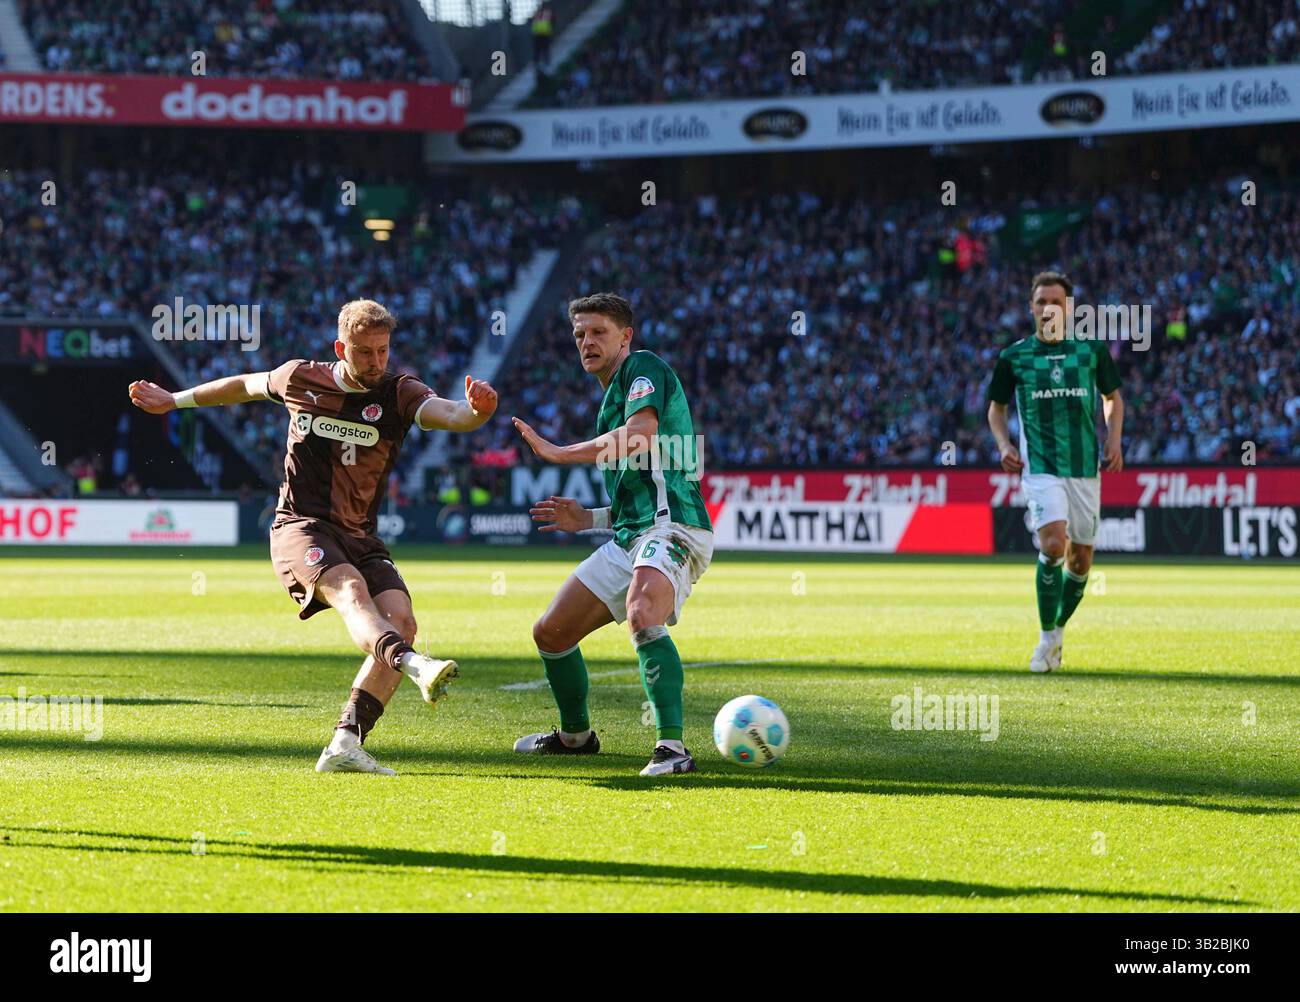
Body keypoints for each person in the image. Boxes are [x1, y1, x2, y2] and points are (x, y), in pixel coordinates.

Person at [128, 299, 499, 773]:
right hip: (300, 526)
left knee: (401, 621)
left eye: (383, 351)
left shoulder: (399, 392)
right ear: (340, 347)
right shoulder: (300, 378)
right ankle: (415, 666)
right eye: (365, 352)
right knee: (351, 592)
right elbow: (243, 385)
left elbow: (449, 414)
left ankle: (345, 742)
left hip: (361, 535)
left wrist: (476, 413)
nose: (376, 362)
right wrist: (174, 401)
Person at [511, 293, 713, 776]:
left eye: (598, 332)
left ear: (626, 336)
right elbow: (637, 496)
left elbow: (641, 436)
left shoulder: (642, 369)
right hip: (634, 535)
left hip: (676, 528)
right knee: (551, 632)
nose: (586, 342)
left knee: (642, 613)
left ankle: (673, 748)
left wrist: (559, 453)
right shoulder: (609, 404)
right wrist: (589, 520)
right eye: (579, 334)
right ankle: (575, 737)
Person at [987, 272, 1124, 672]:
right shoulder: (1013, 357)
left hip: (1085, 466)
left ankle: (1058, 630)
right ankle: (1046, 638)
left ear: (1070, 307)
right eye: (1041, 301)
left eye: (1056, 302)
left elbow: (1112, 397)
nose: (1048, 308)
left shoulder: (1091, 351)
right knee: (1052, 545)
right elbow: (996, 408)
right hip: (1041, 467)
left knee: (1080, 561)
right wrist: (1004, 444)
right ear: (1031, 307)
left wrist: (1114, 438)